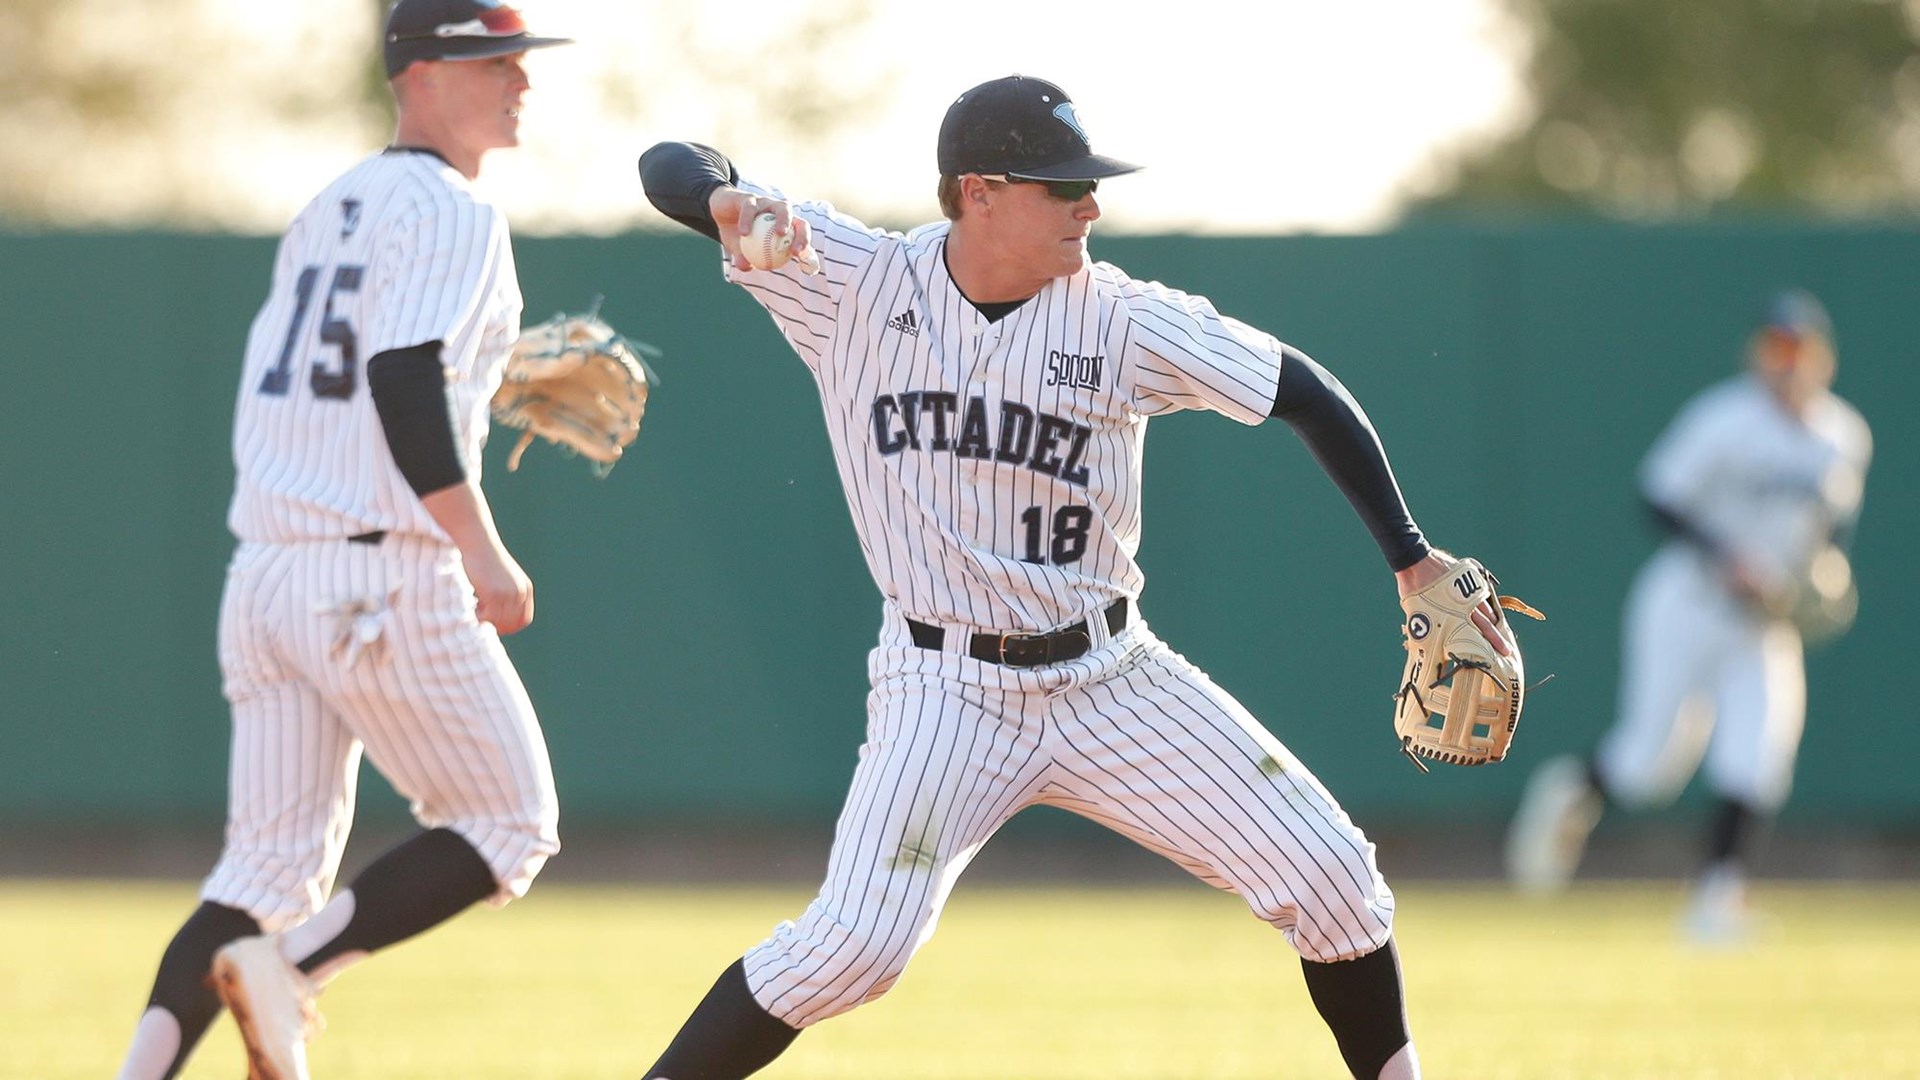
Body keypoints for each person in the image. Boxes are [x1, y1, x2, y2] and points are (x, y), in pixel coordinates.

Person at [635, 74, 1520, 1080]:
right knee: (854, 948)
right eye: (1062, 187)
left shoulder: (1125, 320)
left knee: (1334, 881)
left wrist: (1410, 557)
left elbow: (1305, 392)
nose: (1089, 205)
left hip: (1111, 677)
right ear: (979, 193)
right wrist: (723, 200)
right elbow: (668, 167)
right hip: (944, 685)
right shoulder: (854, 280)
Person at [112, 3, 573, 1077]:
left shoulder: (327, 205)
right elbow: (402, 374)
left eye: (517, 60)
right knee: (509, 822)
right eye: (489, 60)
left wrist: (482, 380)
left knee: (262, 872)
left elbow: (375, 371)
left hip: (268, 574)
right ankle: (291, 967)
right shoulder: (459, 212)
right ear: (415, 73)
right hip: (376, 571)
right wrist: (480, 546)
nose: (519, 82)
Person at [1505, 289, 1872, 942]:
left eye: (1799, 349)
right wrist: (1726, 557)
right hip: (1689, 604)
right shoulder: (1725, 418)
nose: (1787, 362)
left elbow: (1833, 530)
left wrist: (1824, 578)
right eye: (1775, 347)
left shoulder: (1842, 436)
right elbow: (1658, 496)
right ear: (1758, 354)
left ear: (1823, 359)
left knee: (1758, 757)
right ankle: (1571, 788)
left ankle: (1715, 904)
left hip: (1765, 621)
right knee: (1649, 766)